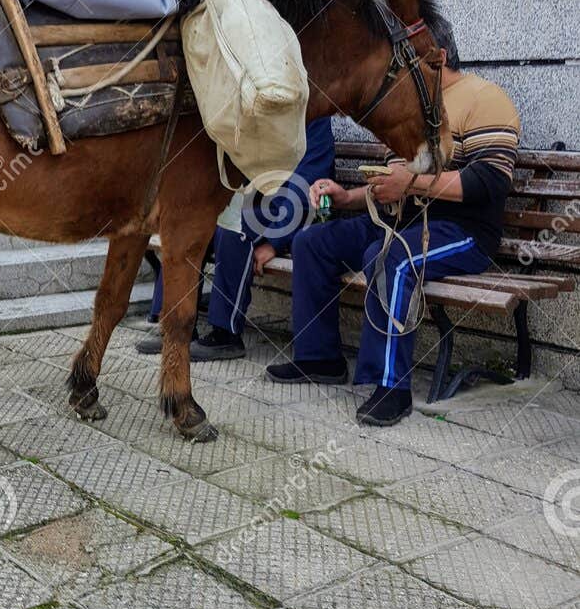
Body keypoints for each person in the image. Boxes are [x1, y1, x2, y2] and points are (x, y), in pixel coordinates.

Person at [266, 29, 521, 426]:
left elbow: (490, 182)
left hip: (463, 232)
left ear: (435, 55)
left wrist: (414, 183)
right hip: (399, 221)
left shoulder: (485, 98)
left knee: (390, 258)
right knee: (313, 241)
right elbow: (392, 182)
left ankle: (392, 388)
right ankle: (319, 359)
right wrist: (347, 196)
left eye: (403, 56)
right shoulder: (409, 101)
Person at [138, 116, 335, 360]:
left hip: (290, 211)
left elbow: (304, 187)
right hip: (256, 200)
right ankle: (172, 323)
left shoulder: (314, 117)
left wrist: (274, 243)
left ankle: (226, 334)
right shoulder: (262, 107)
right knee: (189, 224)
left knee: (235, 225)